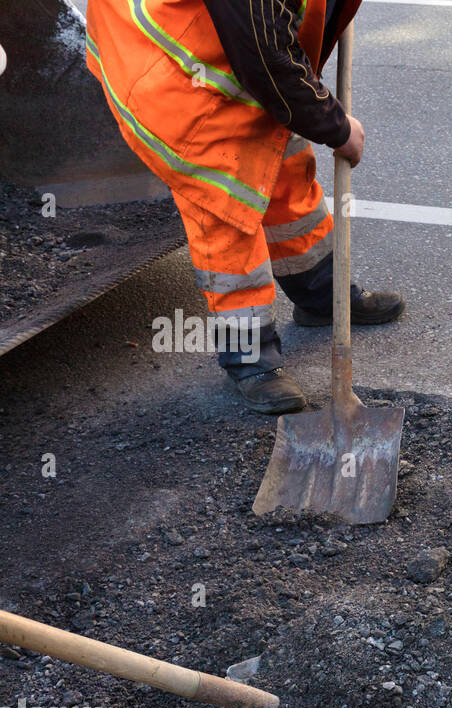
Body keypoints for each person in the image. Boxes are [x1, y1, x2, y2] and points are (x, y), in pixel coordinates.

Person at [85, 0, 404, 414]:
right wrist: (336, 126)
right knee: (225, 206)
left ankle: (320, 294)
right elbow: (265, 57)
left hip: (232, 47)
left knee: (284, 165)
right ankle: (249, 356)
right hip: (167, 68)